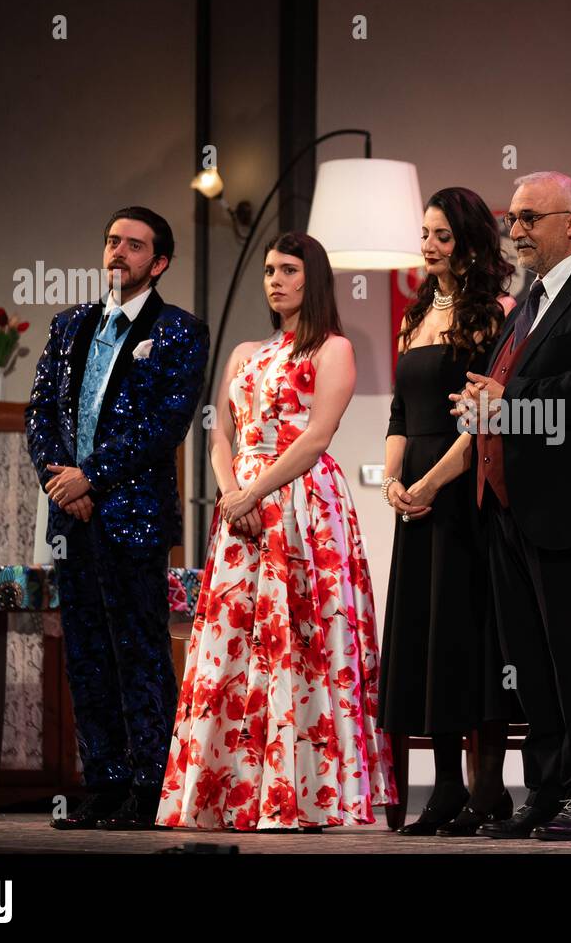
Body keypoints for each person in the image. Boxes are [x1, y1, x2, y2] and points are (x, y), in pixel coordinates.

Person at [156, 232, 395, 831]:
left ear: (312, 279)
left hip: (303, 504)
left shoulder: (333, 347)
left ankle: (306, 795)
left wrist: (256, 491)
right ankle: (229, 793)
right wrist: (229, 490)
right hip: (240, 508)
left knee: (306, 642)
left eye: (289, 270)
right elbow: (216, 432)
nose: (275, 280)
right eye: (268, 270)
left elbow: (317, 437)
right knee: (236, 645)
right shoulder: (241, 353)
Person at [452, 171, 571, 841]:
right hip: (511, 509)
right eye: (514, 218)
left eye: (532, 217)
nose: (518, 230)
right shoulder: (524, 306)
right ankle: (545, 791)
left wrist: (512, 400)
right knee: (530, 666)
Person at [25, 206, 210, 830]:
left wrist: (93, 477)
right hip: (71, 517)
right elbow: (41, 412)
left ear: (157, 263)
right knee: (86, 656)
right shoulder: (70, 324)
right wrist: (62, 480)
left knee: (138, 652)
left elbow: (166, 424)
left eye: (133, 246)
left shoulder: (181, 331)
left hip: (131, 516)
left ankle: (149, 788)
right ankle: (102, 787)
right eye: (111, 241)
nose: (117, 253)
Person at [380, 187, 522, 836]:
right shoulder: (413, 317)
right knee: (426, 639)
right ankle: (440, 791)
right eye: (425, 234)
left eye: (441, 236)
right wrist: (391, 478)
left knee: (468, 638)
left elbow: (485, 423)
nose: (429, 246)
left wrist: (433, 482)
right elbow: (400, 414)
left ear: (467, 243)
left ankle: (486, 791)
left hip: (463, 494)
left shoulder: (494, 313)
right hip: (415, 499)